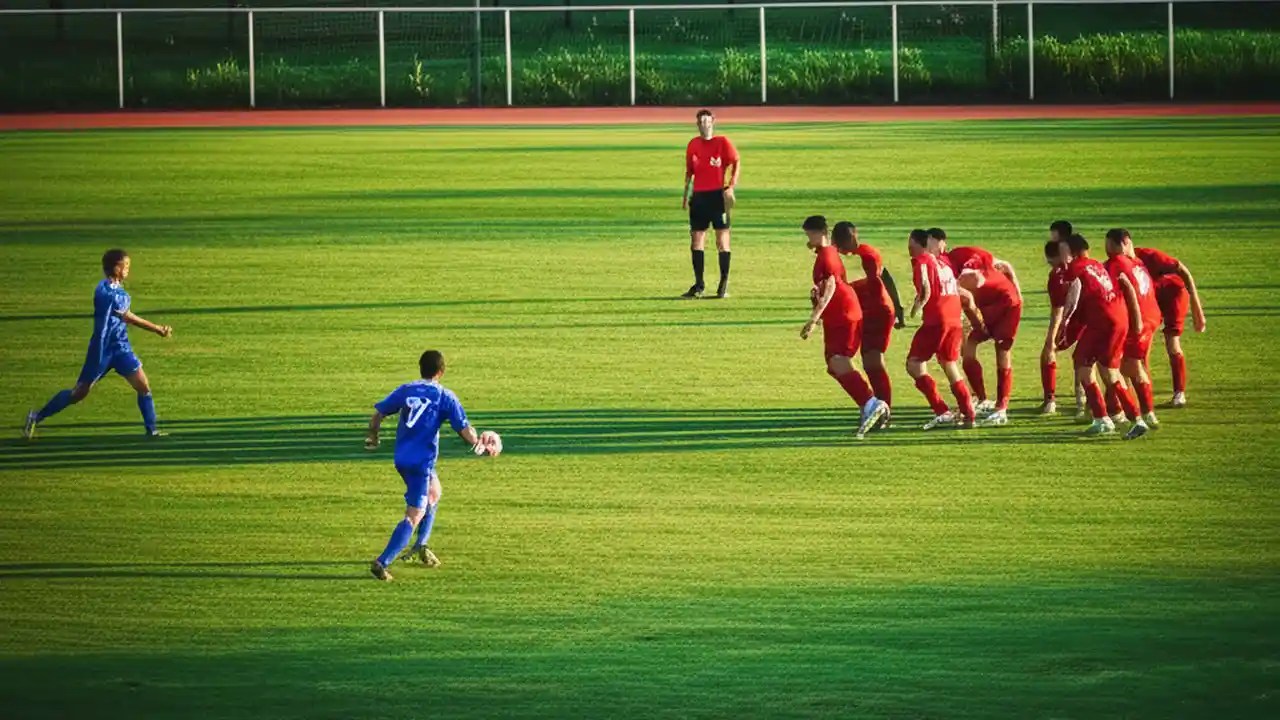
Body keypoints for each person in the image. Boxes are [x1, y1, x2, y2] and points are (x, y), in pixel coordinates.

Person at [365, 350, 497, 581]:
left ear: (421, 368)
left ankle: (421, 546)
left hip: (402, 458)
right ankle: (382, 561)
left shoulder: (406, 389)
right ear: (441, 372)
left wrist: (374, 438)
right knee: (414, 515)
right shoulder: (445, 396)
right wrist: (480, 445)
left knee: (434, 492)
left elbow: (377, 414)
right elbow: (464, 431)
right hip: (420, 463)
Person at [23, 249, 172, 440]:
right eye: (126, 266)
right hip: (101, 351)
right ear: (116, 268)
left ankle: (152, 430)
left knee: (143, 385)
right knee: (78, 393)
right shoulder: (111, 294)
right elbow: (128, 317)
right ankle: (36, 416)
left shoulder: (106, 288)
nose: (128, 270)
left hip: (121, 348)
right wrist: (157, 329)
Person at [799, 216, 889, 439]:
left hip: (844, 313)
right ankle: (868, 405)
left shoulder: (828, 253)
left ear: (821, 232)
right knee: (836, 361)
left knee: (839, 359)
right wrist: (816, 301)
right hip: (841, 313)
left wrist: (813, 318)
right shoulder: (826, 253)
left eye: (809, 234)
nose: (808, 240)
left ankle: (871, 402)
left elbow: (831, 285)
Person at [1057, 234, 1148, 439]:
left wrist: (1065, 324)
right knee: (1110, 372)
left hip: (1102, 323)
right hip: (1118, 319)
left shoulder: (1075, 268)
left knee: (1082, 364)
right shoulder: (1097, 265)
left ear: (1073, 251)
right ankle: (1136, 420)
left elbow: (1074, 295)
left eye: (1063, 250)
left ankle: (1102, 419)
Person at [906, 229, 981, 429]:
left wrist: (915, 308)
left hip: (936, 321)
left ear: (918, 243)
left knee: (914, 364)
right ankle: (968, 413)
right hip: (953, 318)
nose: (908, 247)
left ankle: (942, 411)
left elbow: (925, 287)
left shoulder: (922, 260)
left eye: (910, 242)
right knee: (949, 364)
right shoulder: (943, 263)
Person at [831, 222, 904, 417]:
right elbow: (886, 276)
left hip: (877, 312)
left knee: (872, 359)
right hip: (875, 310)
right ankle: (878, 405)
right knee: (869, 360)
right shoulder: (868, 252)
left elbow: (853, 288)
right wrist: (898, 307)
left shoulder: (857, 260)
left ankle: (882, 408)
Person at [1133, 242, 1206, 407]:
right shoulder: (1120, 265)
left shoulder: (1148, 256)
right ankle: (1144, 393)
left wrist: (1196, 305)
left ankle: (1179, 394)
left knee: (1172, 343)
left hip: (1174, 294)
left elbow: (1183, 271)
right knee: (1142, 347)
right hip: (1152, 300)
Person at [1104, 229, 1162, 429]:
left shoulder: (1117, 262)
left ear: (1123, 243)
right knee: (1128, 365)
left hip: (1137, 320)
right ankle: (1120, 409)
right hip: (1151, 317)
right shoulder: (1139, 263)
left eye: (1109, 245)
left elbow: (1104, 280)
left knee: (1127, 366)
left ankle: (1143, 413)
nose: (1107, 250)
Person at [681, 109, 740, 299]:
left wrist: (731, 186)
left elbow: (736, 161)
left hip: (717, 197)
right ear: (697, 124)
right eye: (701, 122)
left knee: (722, 240)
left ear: (713, 122)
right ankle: (699, 284)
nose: (704, 125)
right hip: (699, 197)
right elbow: (690, 172)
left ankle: (723, 283)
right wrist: (685, 195)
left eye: (707, 121)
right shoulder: (693, 144)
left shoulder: (722, 143)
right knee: (697, 240)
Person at [1040, 220, 1086, 417]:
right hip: (1092, 317)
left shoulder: (1058, 275)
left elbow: (1057, 310)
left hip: (1072, 320)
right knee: (1084, 359)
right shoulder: (1083, 262)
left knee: (1048, 353)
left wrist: (1052, 336)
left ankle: (1050, 401)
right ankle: (1082, 402)